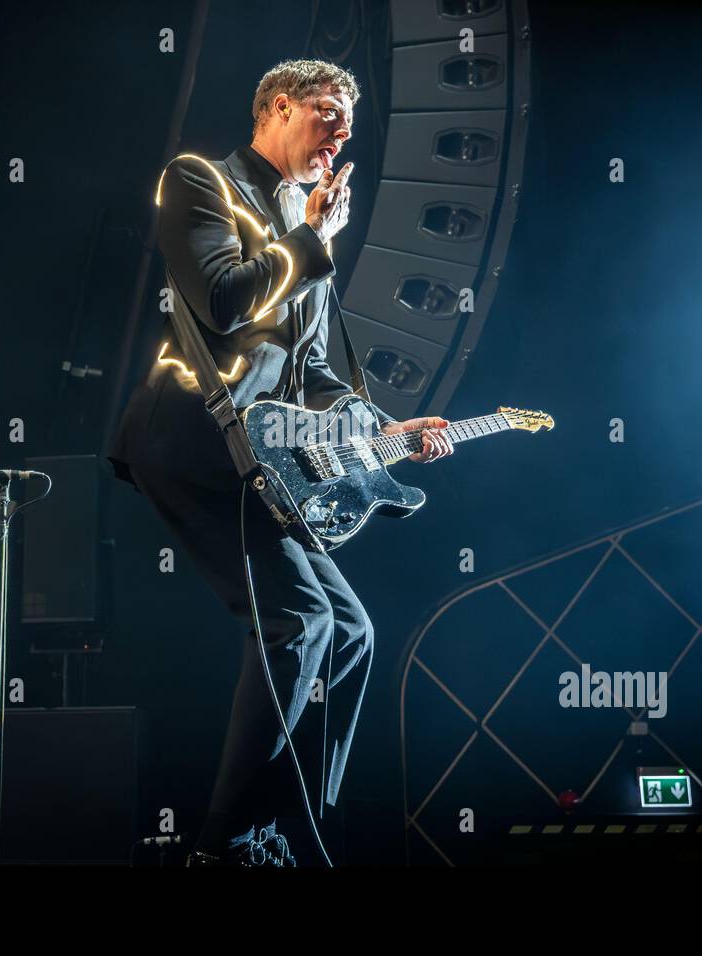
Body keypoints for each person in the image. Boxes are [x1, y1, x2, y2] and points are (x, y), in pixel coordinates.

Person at [107, 59, 453, 866]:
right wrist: (311, 241)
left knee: (353, 632)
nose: (341, 133)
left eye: (349, 124)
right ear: (279, 107)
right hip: (190, 439)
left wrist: (390, 429)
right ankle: (224, 847)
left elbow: (313, 374)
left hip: (257, 454)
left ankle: (279, 825)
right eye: (328, 113)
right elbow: (224, 302)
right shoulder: (199, 182)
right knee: (298, 622)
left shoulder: (305, 219)